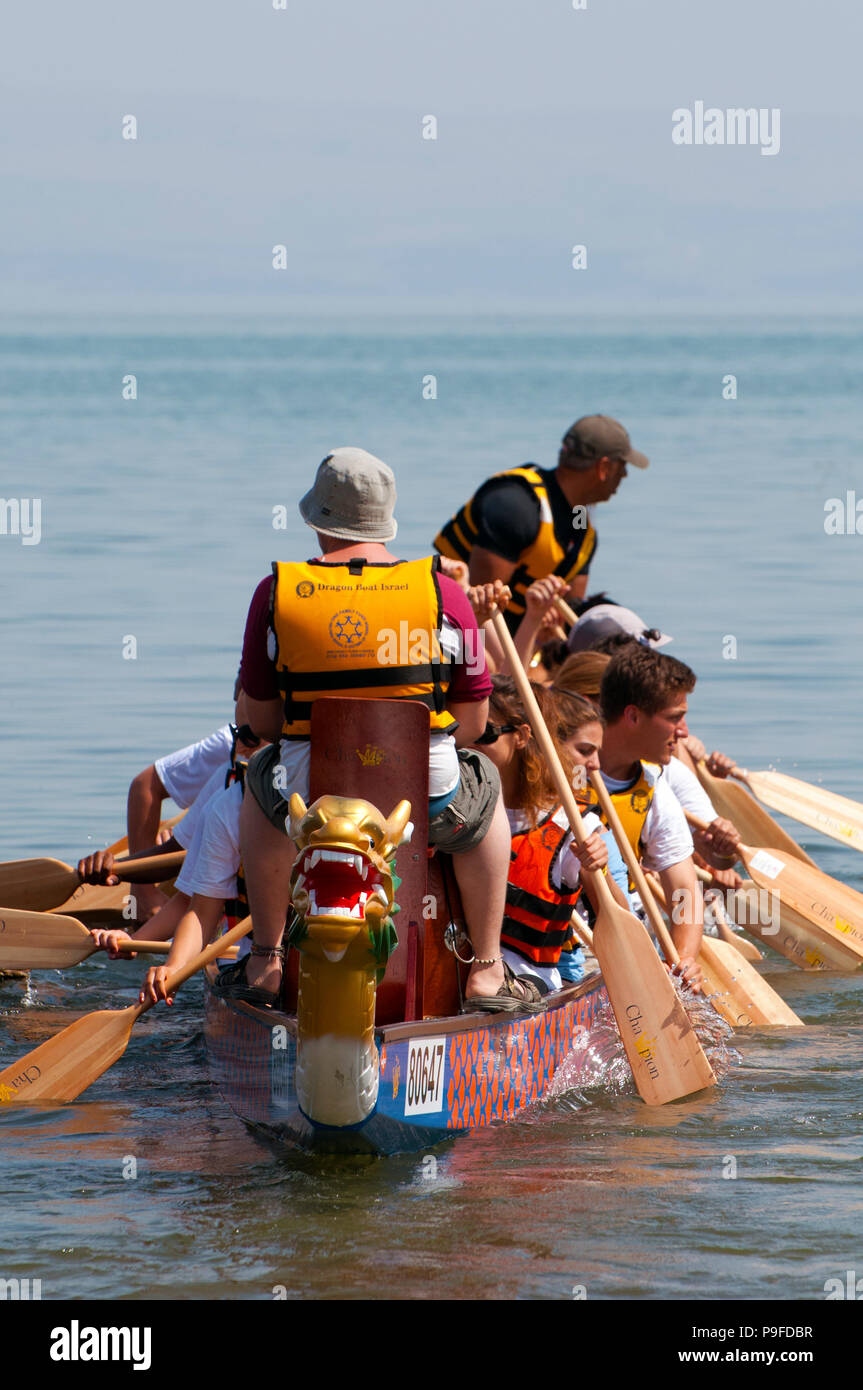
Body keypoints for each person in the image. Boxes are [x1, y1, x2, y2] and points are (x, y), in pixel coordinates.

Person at [229, 447, 541, 1013]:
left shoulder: (273, 594)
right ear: (386, 521)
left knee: (258, 776)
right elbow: (471, 726)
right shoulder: (444, 594)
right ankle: (489, 971)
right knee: (485, 788)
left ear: (317, 520)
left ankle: (267, 958)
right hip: (428, 799)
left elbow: (264, 722)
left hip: (310, 803)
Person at [473, 676, 630, 997]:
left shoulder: (571, 824)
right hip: (459, 987)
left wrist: (595, 868)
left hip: (533, 990)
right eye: (462, 731)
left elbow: (622, 929)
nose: (468, 743)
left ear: (521, 737)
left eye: (485, 734)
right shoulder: (456, 812)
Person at [433, 414, 649, 631]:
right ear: (604, 468)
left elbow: (570, 612)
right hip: (458, 631)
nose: (625, 474)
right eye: (622, 465)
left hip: (521, 640)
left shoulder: (581, 522)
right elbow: (478, 606)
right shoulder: (516, 506)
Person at [596, 645, 709, 990]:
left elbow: (686, 895)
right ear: (632, 716)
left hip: (626, 948)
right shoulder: (558, 771)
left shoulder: (652, 788)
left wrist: (683, 961)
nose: (685, 732)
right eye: (675, 717)